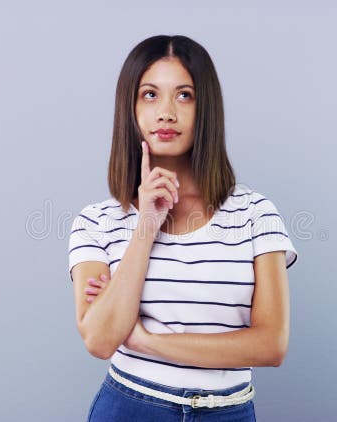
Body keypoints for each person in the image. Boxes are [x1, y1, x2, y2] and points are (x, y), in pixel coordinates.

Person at [67, 34, 298, 421]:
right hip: (130, 408)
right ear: (131, 108)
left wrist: (146, 339)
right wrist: (146, 226)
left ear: (206, 107)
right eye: (150, 95)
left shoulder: (256, 213)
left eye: (185, 95)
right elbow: (100, 338)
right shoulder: (97, 222)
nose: (167, 113)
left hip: (227, 412)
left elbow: (272, 344)